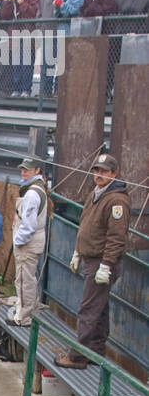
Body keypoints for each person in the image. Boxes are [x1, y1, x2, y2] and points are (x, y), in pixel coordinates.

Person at [54, 153, 131, 368]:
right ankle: (95, 351)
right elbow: (86, 223)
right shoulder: (95, 194)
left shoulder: (117, 201)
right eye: (97, 170)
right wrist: (78, 252)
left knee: (88, 309)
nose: (99, 174)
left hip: (101, 262)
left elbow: (116, 237)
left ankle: (77, 357)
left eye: (104, 171)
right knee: (100, 308)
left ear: (114, 174)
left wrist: (106, 265)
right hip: (91, 258)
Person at [10, 156, 48, 325]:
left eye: (28, 169)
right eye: (22, 169)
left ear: (37, 170)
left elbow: (29, 225)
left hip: (28, 244)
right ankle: (23, 307)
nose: (24, 172)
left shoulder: (32, 193)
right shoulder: (35, 188)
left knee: (25, 280)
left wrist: (18, 241)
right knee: (26, 278)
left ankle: (24, 317)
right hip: (31, 242)